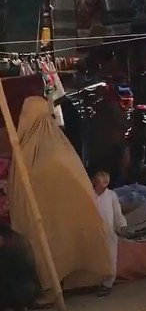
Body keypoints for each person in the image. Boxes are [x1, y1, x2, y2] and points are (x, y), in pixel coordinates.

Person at [8, 97, 111, 303]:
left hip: (48, 221)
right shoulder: (57, 147)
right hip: (56, 220)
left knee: (48, 245)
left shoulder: (43, 153)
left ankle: (51, 287)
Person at [92, 170, 127, 297]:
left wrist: (122, 226)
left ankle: (107, 284)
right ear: (94, 180)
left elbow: (117, 213)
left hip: (109, 231)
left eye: (106, 177)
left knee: (110, 257)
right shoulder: (89, 194)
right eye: (101, 177)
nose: (105, 179)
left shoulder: (111, 195)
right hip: (94, 232)